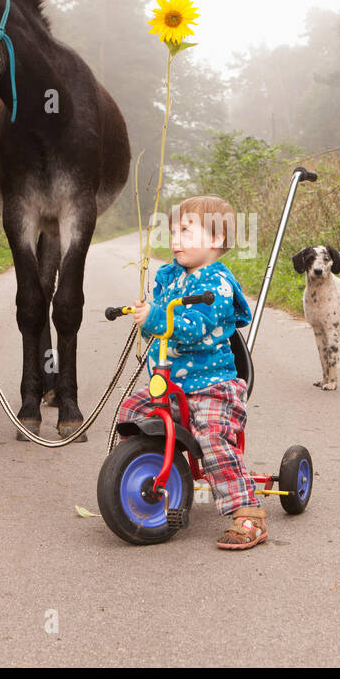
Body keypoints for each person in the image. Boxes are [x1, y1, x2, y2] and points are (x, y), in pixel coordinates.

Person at [119, 194, 266, 550]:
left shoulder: (216, 283)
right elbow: (158, 323)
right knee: (131, 410)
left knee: (212, 438)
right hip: (171, 385)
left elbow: (192, 326)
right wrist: (148, 313)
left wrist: (155, 318)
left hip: (213, 386)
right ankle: (138, 472)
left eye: (186, 230)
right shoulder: (172, 276)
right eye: (173, 231)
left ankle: (248, 512)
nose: (175, 238)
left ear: (215, 240)